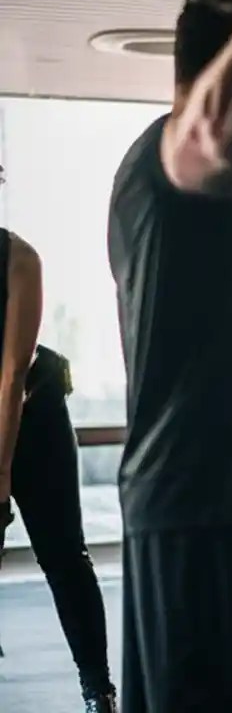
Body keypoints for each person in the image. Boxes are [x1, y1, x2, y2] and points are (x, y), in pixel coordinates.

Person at [106, 0, 232, 711]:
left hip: (226, 508)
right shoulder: (175, 167)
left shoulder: (221, 200)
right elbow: (219, 135)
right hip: (201, 512)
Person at [0, 167, 118, 713]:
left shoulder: (19, 259)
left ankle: (99, 689)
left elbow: (11, 378)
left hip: (33, 418)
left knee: (64, 555)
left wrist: (1, 478)